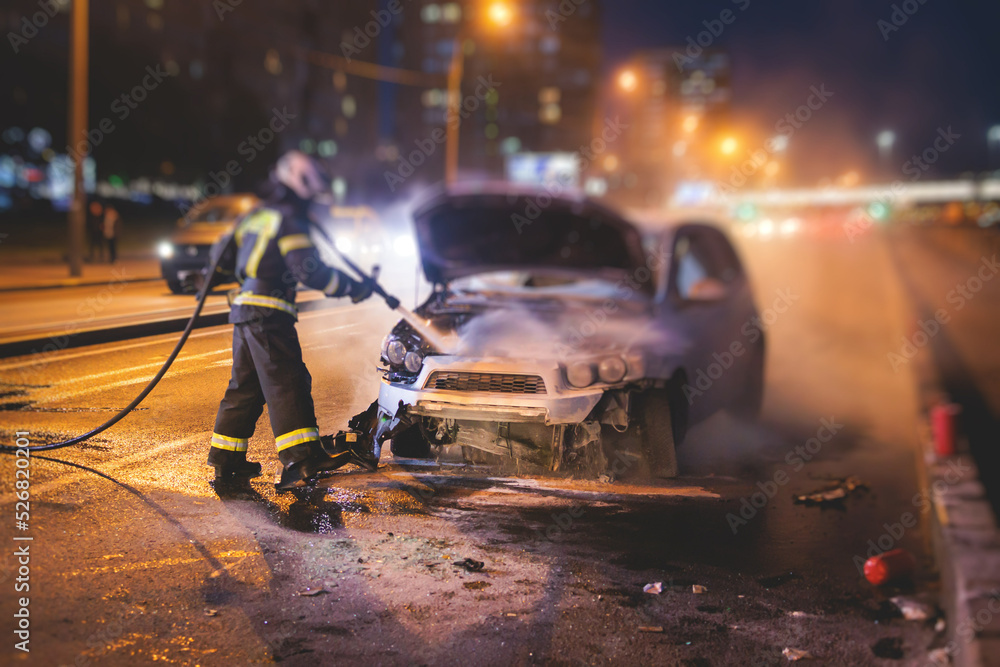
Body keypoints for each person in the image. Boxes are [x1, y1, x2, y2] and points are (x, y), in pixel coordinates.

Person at [205, 151, 376, 490]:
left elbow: (219, 258)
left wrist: (205, 280)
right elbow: (311, 273)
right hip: (269, 312)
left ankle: (227, 461)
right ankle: (300, 463)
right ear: (302, 181)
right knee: (289, 382)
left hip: (244, 309)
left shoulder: (255, 216)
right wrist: (352, 288)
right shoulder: (288, 219)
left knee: (247, 388)